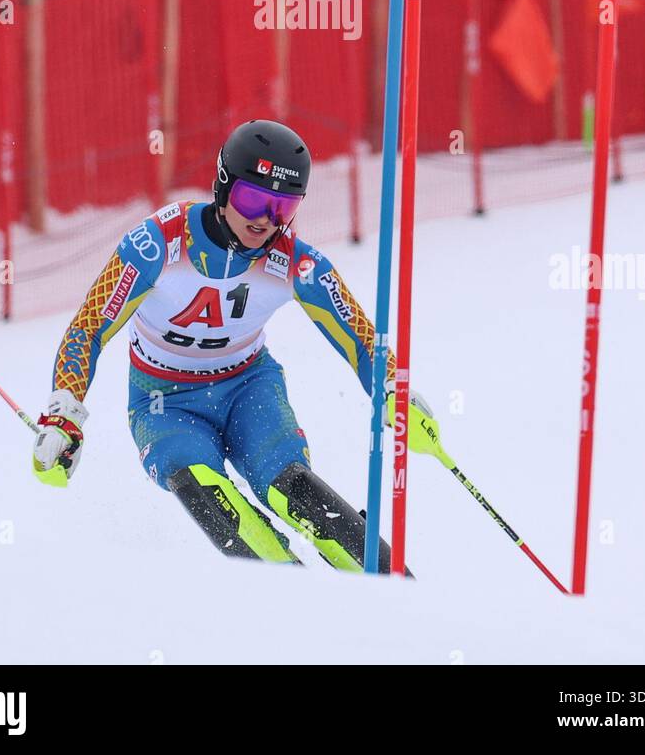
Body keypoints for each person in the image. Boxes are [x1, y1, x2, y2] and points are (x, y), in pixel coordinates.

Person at [33, 119, 434, 568]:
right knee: (207, 492)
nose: (265, 220)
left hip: (248, 389)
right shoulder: (156, 246)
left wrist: (393, 391)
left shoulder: (294, 262)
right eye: (253, 199)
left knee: (291, 488)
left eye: (283, 208)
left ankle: (395, 596)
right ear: (223, 187)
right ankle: (293, 603)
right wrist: (63, 414)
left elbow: (360, 338)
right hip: (166, 402)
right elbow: (89, 327)